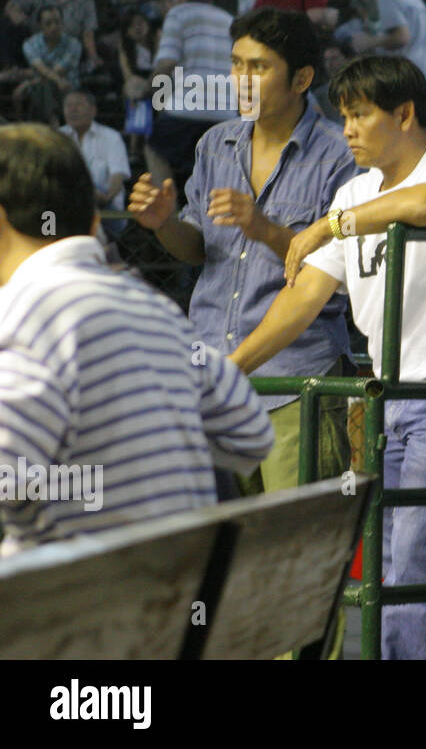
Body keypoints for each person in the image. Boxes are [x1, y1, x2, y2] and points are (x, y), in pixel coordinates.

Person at [230, 54, 426, 660]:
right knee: (387, 561)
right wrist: (234, 366)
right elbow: (305, 295)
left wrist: (330, 226)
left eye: (359, 115)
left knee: (414, 560)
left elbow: (424, 206)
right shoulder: (354, 191)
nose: (348, 129)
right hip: (392, 401)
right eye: (344, 116)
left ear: (404, 113)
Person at [0, 124, 273, 557]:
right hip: (174, 598)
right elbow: (251, 434)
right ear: (92, 221)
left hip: (76, 603)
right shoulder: (155, 308)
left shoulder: (20, 316)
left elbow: (8, 478)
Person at [129, 7, 358, 502]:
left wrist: (264, 229)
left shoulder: (340, 155)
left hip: (297, 383)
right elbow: (196, 250)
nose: (241, 80)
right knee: (218, 551)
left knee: (296, 548)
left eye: (258, 67)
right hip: (210, 378)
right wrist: (164, 224)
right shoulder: (215, 144)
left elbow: (335, 275)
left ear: (302, 78)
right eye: (236, 64)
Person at [144, 0, 236, 187]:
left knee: (154, 148)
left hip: (186, 110)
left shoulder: (177, 14)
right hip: (226, 114)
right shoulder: (228, 19)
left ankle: (166, 211)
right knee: (215, 167)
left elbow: (166, 63)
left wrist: (145, 89)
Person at [3, 0, 100, 73]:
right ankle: (9, 68)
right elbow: (11, 6)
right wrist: (14, 12)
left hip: (69, 45)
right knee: (7, 24)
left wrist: (93, 56)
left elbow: (88, 30)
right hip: (38, 44)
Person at [58, 89, 130, 234]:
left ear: (93, 110)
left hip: (108, 210)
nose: (73, 110)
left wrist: (105, 197)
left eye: (78, 105)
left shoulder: (111, 137)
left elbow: (118, 175)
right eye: (68, 106)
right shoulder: (57, 137)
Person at [14, 7, 80, 125]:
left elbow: (58, 71)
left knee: (44, 86)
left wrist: (28, 83)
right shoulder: (30, 44)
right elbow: (41, 69)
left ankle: (43, 126)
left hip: (66, 89)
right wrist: (57, 80)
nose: (54, 27)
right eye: (48, 23)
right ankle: (54, 123)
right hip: (40, 88)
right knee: (44, 86)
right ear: (39, 26)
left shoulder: (74, 44)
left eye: (57, 22)